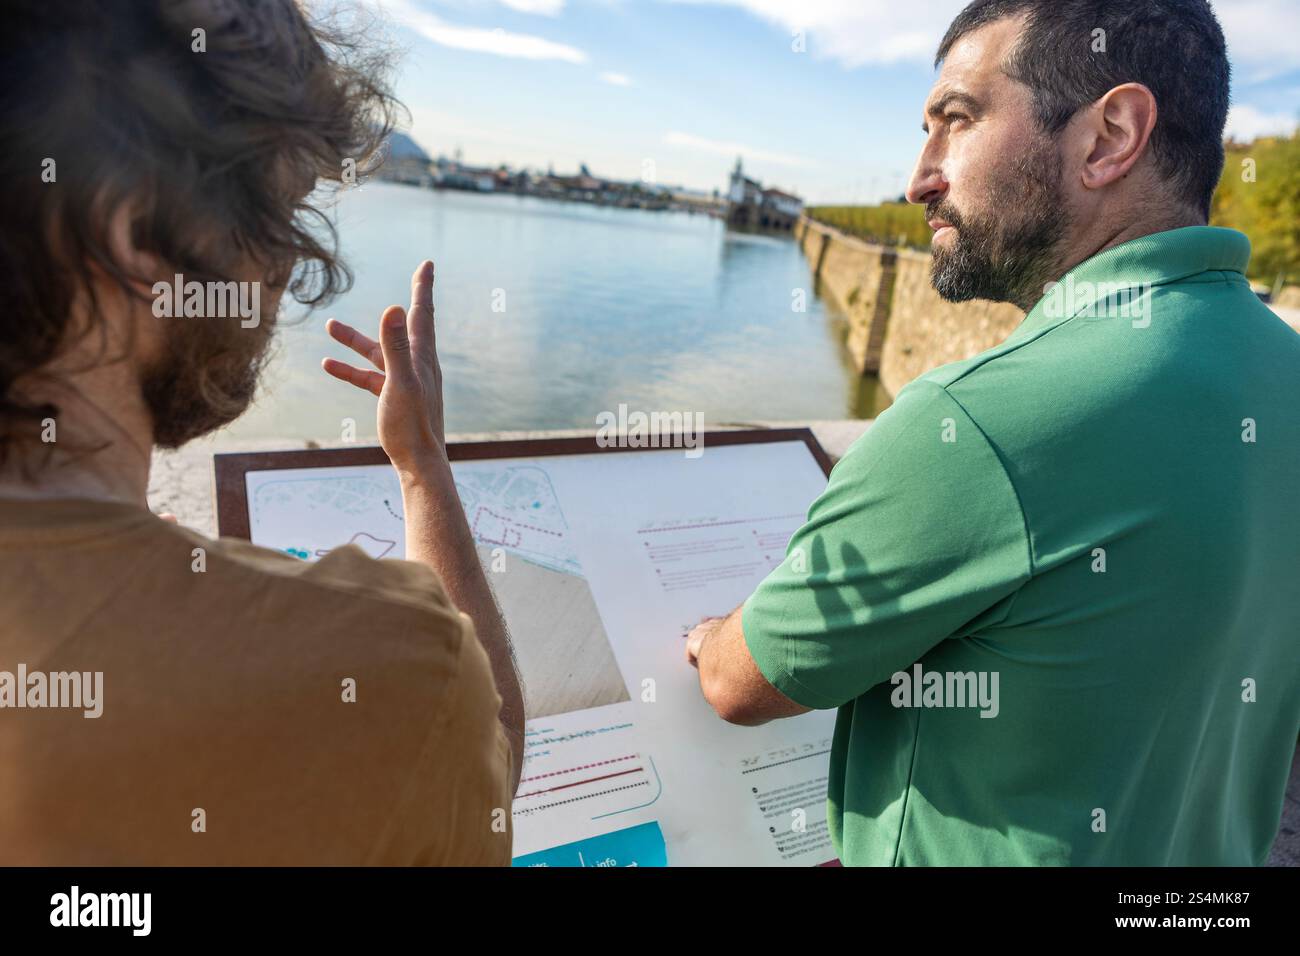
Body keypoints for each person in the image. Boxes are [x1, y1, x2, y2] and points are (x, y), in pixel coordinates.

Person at [686, 0, 1300, 865]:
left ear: (1109, 136)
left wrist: (709, 635)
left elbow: (738, 681)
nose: (919, 177)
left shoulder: (975, 424)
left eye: (956, 121)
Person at [0, 0, 522, 865]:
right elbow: (487, 770)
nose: (286, 270)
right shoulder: (390, 666)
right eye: (281, 210)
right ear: (134, 233)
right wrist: (425, 469)